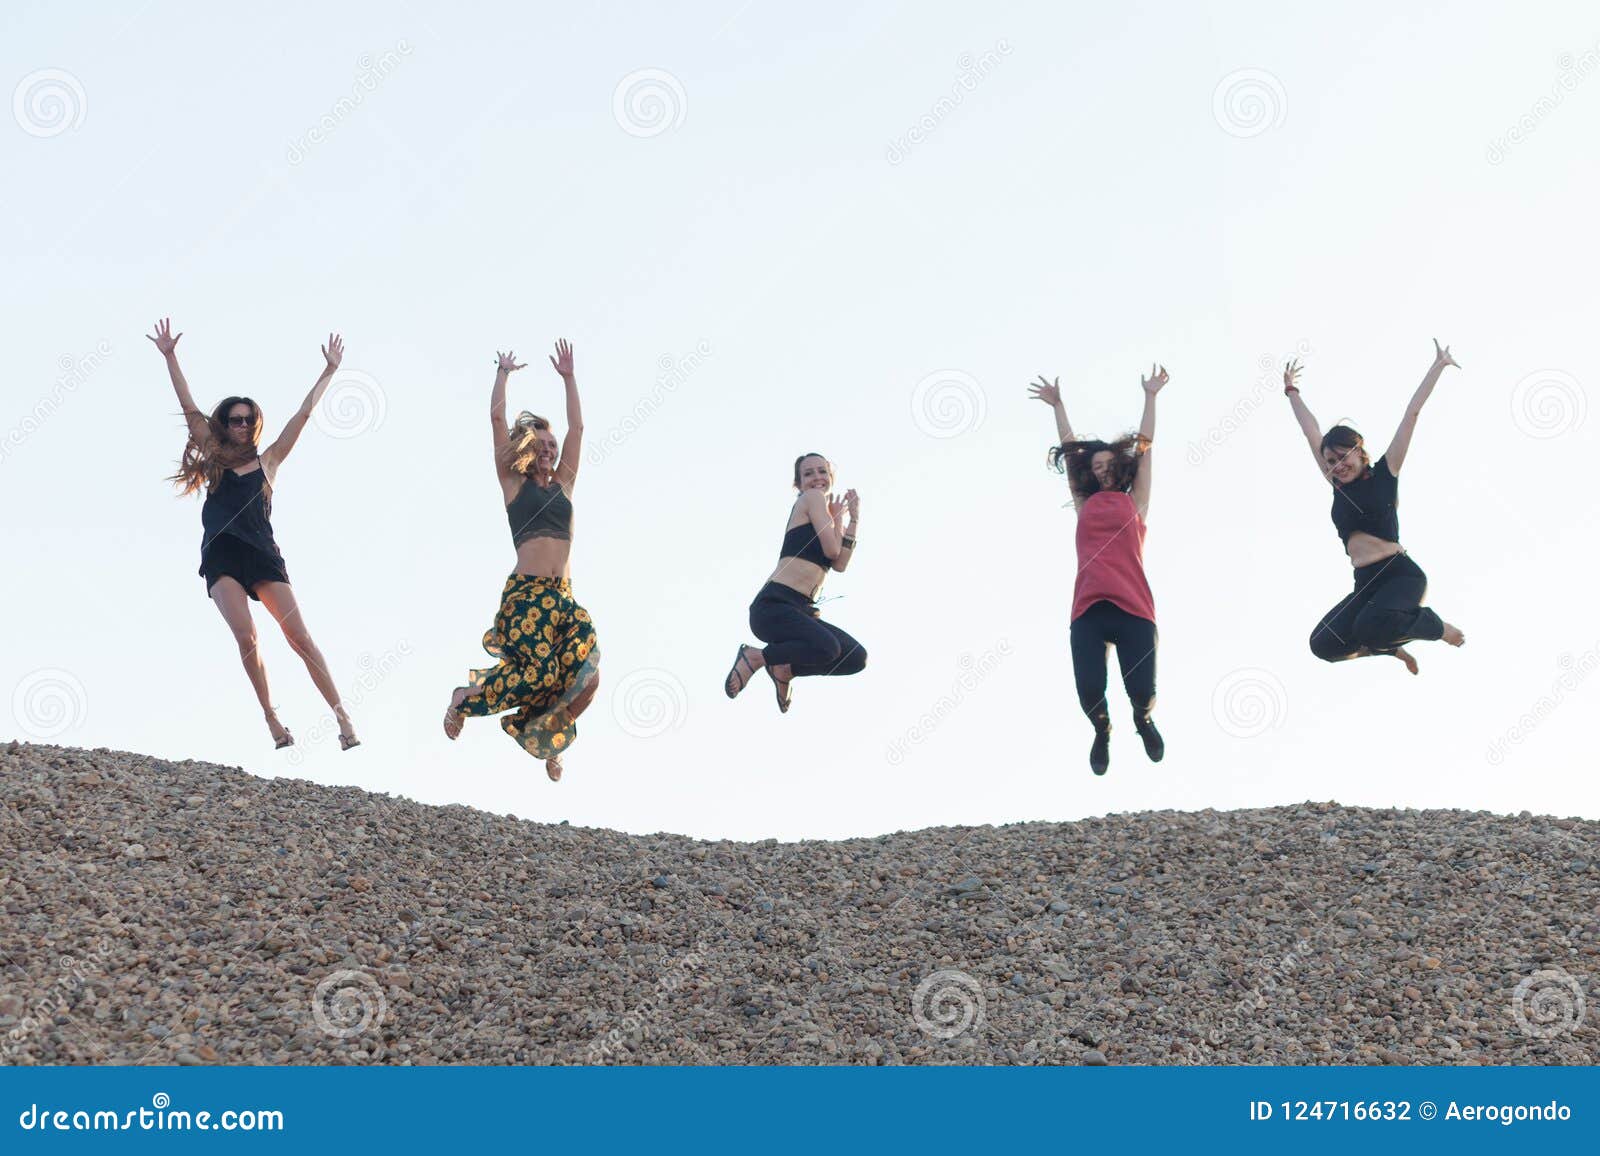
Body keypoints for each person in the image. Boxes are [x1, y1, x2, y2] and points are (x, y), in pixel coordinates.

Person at [151, 317, 359, 751]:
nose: (242, 425)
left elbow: (303, 415)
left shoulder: (270, 462)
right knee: (246, 636)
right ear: (224, 424)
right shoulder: (214, 459)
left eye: (248, 420)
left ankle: (342, 717)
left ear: (256, 425)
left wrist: (329, 372)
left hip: (263, 556)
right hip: (223, 553)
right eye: (234, 420)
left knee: (299, 637)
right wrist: (171, 357)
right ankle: (272, 719)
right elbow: (190, 409)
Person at [443, 341, 600, 782]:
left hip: (563, 599)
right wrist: (502, 374)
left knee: (588, 675)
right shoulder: (514, 483)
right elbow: (496, 419)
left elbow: (579, 428)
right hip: (526, 597)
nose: (550, 449)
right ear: (529, 447)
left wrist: (569, 378)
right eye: (542, 443)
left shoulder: (564, 486)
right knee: (539, 673)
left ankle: (552, 731)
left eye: (552, 444)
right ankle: (464, 699)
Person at [1284, 340, 1467, 673]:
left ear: (1359, 452)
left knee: (1370, 624)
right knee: (1322, 643)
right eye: (1329, 461)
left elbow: (1410, 415)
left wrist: (1437, 367)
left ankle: (1437, 627)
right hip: (1366, 584)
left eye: (1342, 457)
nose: (1337, 465)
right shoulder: (1337, 486)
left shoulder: (1386, 473)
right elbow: (1309, 430)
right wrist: (1291, 391)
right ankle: (1390, 650)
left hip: (1401, 577)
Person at [1030, 365, 1167, 776]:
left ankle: (1142, 721)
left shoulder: (1135, 502)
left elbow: (1144, 447)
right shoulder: (1084, 502)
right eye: (1098, 465)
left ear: (1121, 470)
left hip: (1134, 607)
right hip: (1088, 606)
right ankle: (1102, 729)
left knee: (1142, 690)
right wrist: (1058, 405)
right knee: (1090, 690)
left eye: (1110, 464)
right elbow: (1069, 448)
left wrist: (1151, 397)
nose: (1103, 469)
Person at [724, 454, 865, 712]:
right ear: (798, 485)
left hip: (802, 611)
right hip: (774, 607)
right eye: (808, 474)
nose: (817, 478)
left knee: (855, 657)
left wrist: (852, 519)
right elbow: (833, 551)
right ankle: (756, 657)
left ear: (831, 477)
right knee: (828, 648)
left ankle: (785, 668)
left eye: (822, 472)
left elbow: (840, 565)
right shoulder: (811, 500)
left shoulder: (826, 511)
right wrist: (837, 522)